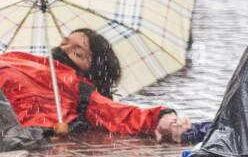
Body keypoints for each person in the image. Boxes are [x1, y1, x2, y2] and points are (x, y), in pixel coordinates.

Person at [0, 29, 190, 141]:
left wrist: (161, 117)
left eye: (78, 53)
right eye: (65, 43)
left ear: (92, 69)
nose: (63, 50)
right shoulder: (18, 57)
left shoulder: (80, 90)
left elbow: (118, 114)